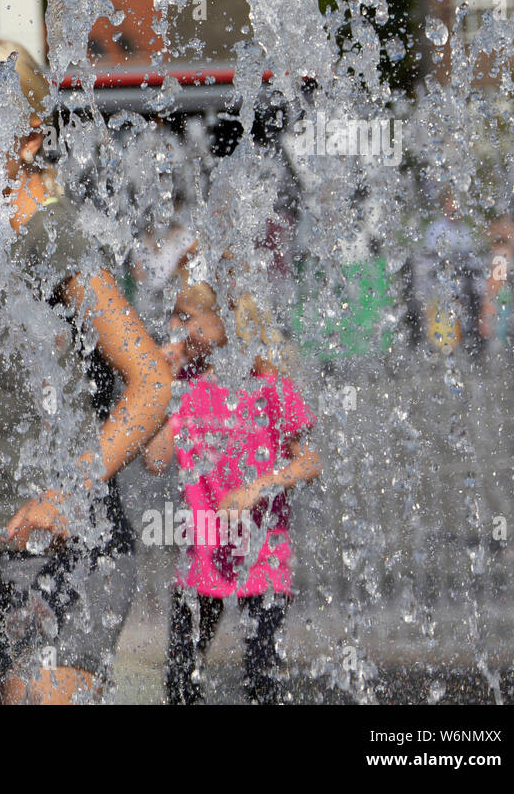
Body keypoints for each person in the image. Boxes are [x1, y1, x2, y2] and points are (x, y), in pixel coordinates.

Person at [0, 39, 172, 704]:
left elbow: (152, 382)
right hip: (7, 541)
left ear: (29, 142)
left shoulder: (50, 238)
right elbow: (19, 412)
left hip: (72, 550)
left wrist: (64, 496)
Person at [144, 264, 321, 704]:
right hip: (202, 554)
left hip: (262, 556)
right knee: (180, 681)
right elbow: (154, 460)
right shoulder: (186, 385)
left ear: (221, 321)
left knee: (262, 681)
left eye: (185, 317)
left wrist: (254, 489)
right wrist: (161, 385)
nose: (173, 326)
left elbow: (310, 462)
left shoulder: (268, 386)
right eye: (173, 315)